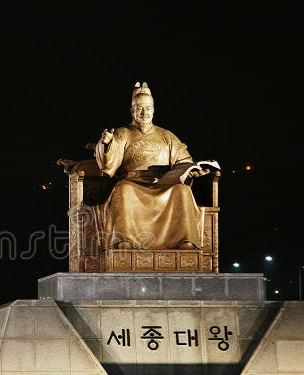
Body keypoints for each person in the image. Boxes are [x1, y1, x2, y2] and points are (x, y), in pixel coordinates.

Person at [93, 81, 217, 250]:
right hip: (133, 184)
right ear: (132, 111)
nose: (144, 113)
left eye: (148, 109)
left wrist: (193, 169)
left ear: (154, 110)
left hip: (162, 184)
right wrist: (107, 144)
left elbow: (184, 161)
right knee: (123, 191)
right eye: (139, 109)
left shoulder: (167, 135)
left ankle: (184, 241)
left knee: (182, 191)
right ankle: (125, 241)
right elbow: (109, 163)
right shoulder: (123, 133)